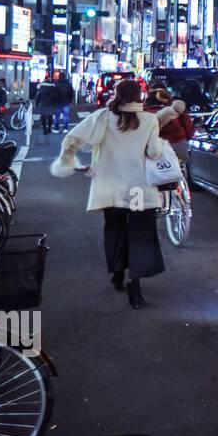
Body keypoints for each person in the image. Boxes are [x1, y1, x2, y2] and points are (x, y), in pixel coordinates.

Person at [50, 79, 169, 309]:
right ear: (139, 96)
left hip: (110, 185)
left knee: (114, 228)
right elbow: (154, 152)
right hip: (138, 187)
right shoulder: (149, 119)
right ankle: (135, 287)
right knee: (140, 234)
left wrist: (68, 162)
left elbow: (72, 138)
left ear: (117, 94)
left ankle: (117, 271)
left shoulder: (104, 116)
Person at [145, 87, 194, 171]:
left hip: (154, 150)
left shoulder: (143, 114)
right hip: (178, 146)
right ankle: (181, 182)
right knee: (180, 167)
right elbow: (189, 131)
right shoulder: (178, 111)